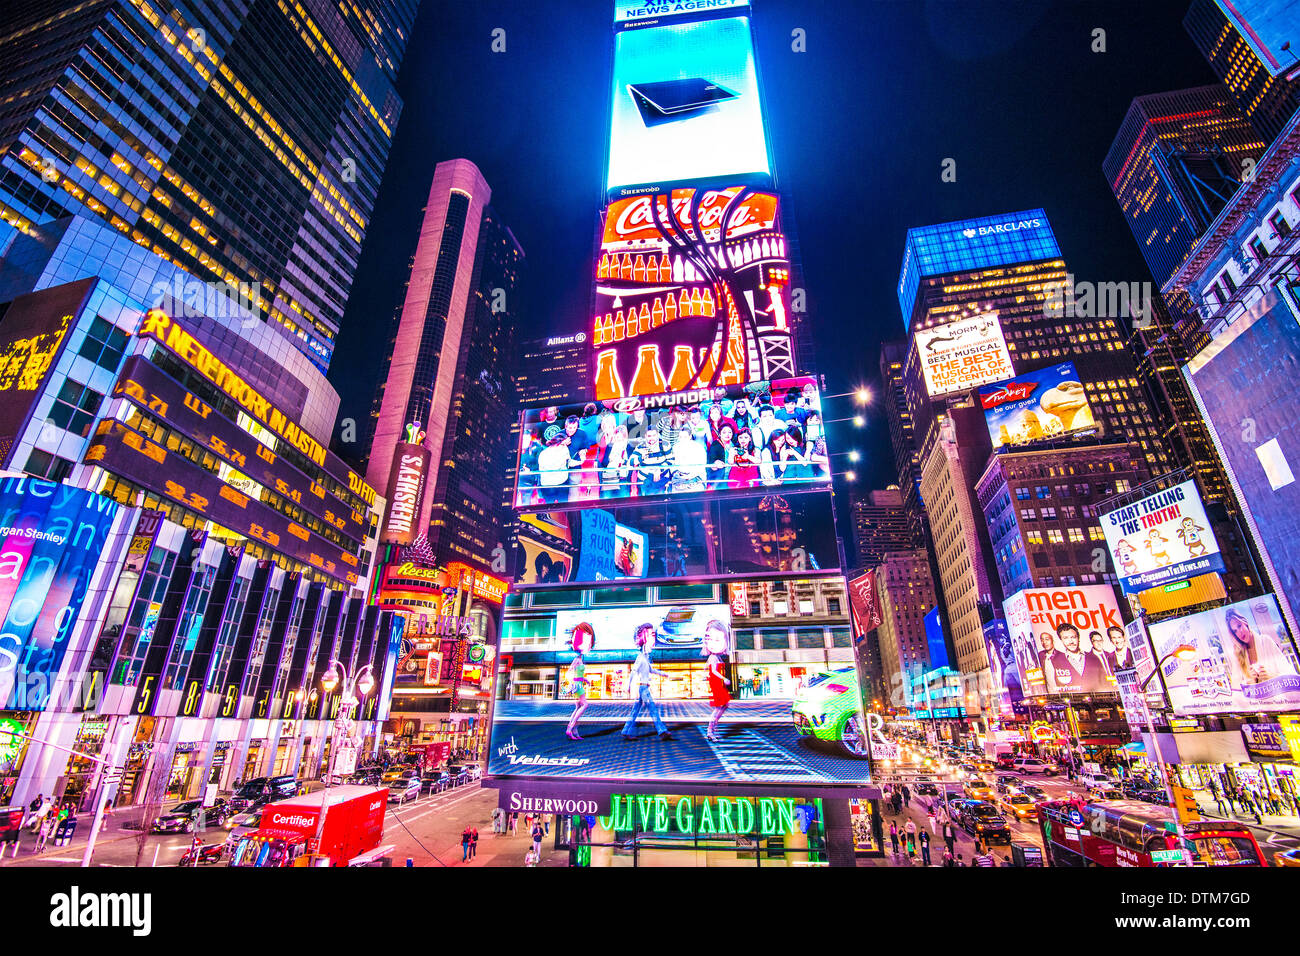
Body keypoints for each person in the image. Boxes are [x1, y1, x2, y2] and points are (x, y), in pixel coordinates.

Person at [622, 624, 672, 740]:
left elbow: (651, 670)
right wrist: (628, 686)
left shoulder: (645, 657)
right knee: (652, 708)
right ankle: (662, 731)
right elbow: (633, 671)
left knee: (635, 710)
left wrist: (663, 674)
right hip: (643, 688)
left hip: (643, 688)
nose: (654, 638)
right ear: (644, 638)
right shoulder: (640, 657)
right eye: (651, 635)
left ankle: (625, 731)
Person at [1042, 622, 1110, 693]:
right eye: (1065, 638)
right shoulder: (1054, 661)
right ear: (1061, 640)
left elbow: (1105, 684)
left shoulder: (1094, 658)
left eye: (1073, 637)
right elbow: (1052, 690)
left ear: (1078, 638)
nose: (1071, 641)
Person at [701, 620, 732, 741]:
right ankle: (710, 731)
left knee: (724, 705)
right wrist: (724, 678)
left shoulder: (715, 656)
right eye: (709, 639)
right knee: (719, 707)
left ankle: (713, 729)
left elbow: (707, 668)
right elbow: (713, 671)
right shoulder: (713, 657)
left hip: (718, 684)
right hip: (716, 684)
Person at [565, 622, 595, 740]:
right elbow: (569, 672)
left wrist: (585, 680)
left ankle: (575, 731)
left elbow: (578, 674)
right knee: (585, 705)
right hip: (577, 685)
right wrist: (572, 684)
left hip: (578, 684)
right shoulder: (577, 660)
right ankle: (570, 727)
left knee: (578, 707)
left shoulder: (580, 659)